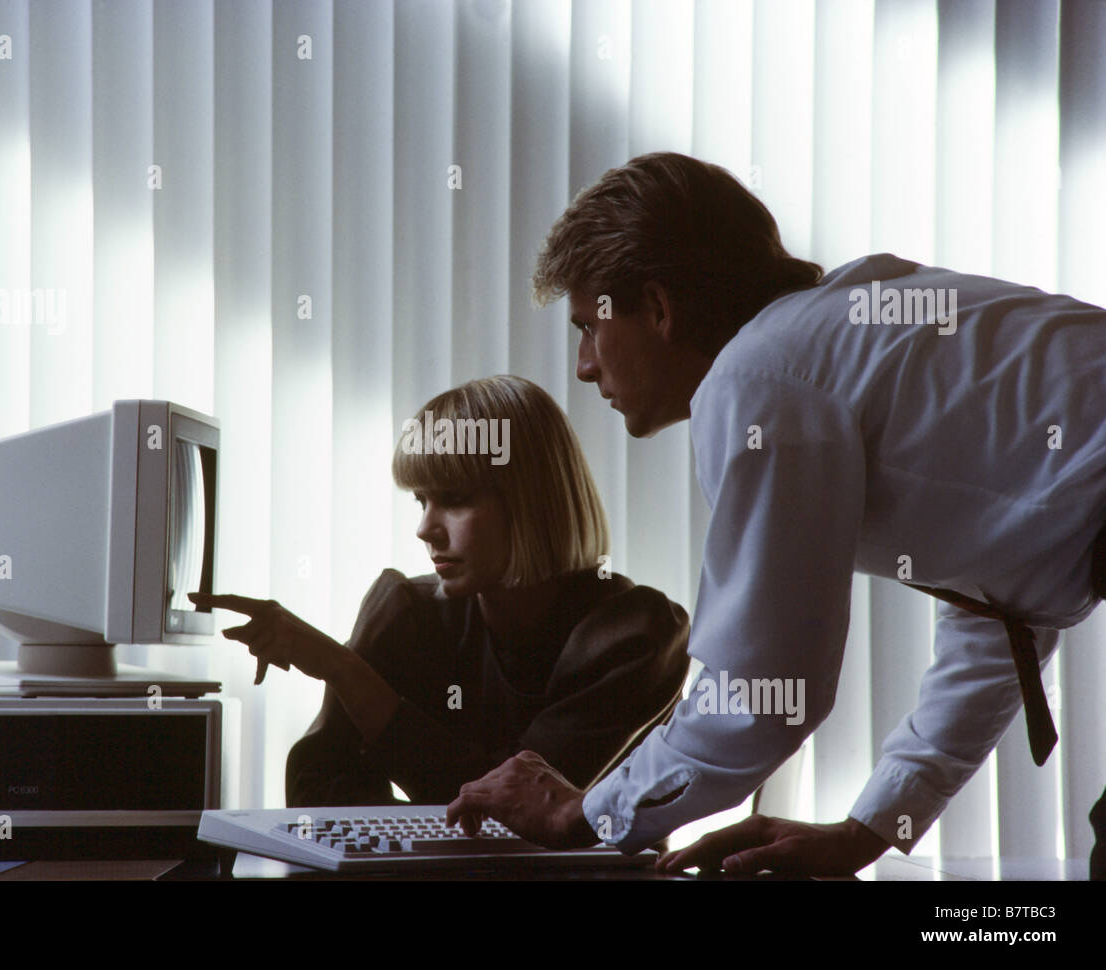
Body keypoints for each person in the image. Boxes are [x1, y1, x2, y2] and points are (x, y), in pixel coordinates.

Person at [444, 152, 1106, 878]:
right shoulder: (825, 347)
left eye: (588, 327)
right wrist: (864, 834)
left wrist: (586, 813)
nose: (583, 366)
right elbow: (999, 622)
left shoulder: (757, 378)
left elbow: (762, 693)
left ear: (659, 310)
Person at [193, 374, 690, 807]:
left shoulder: (637, 637)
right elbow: (319, 782)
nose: (426, 528)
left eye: (453, 500)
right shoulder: (408, 612)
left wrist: (346, 671)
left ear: (533, 503)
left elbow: (515, 806)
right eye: (420, 500)